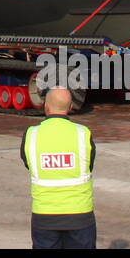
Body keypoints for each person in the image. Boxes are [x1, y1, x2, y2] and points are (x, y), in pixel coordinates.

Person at [20, 87, 96, 249]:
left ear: (46, 106)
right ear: (70, 108)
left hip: (45, 215)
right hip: (80, 215)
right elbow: (90, 165)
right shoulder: (83, 133)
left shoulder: (31, 134)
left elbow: (29, 164)